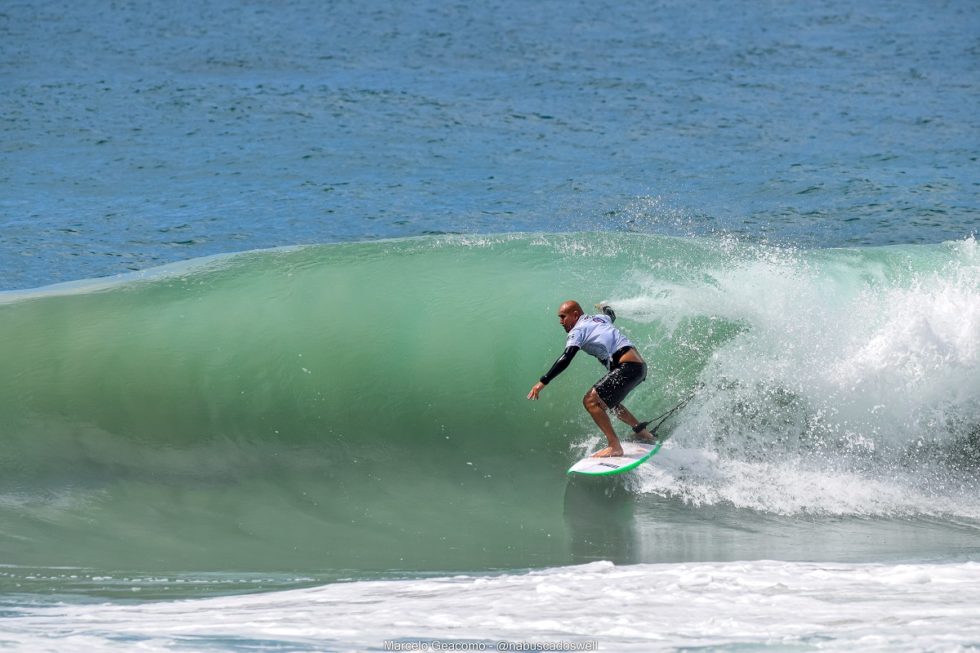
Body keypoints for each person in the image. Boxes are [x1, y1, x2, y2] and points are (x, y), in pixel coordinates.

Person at [527, 300, 654, 458]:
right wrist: (604, 307)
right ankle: (642, 432)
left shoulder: (578, 330)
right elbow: (611, 315)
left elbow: (566, 357)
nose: (561, 321)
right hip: (638, 367)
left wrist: (543, 382)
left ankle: (614, 446)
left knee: (590, 401)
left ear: (575, 315)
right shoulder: (598, 319)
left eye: (563, 317)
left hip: (627, 366)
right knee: (607, 402)